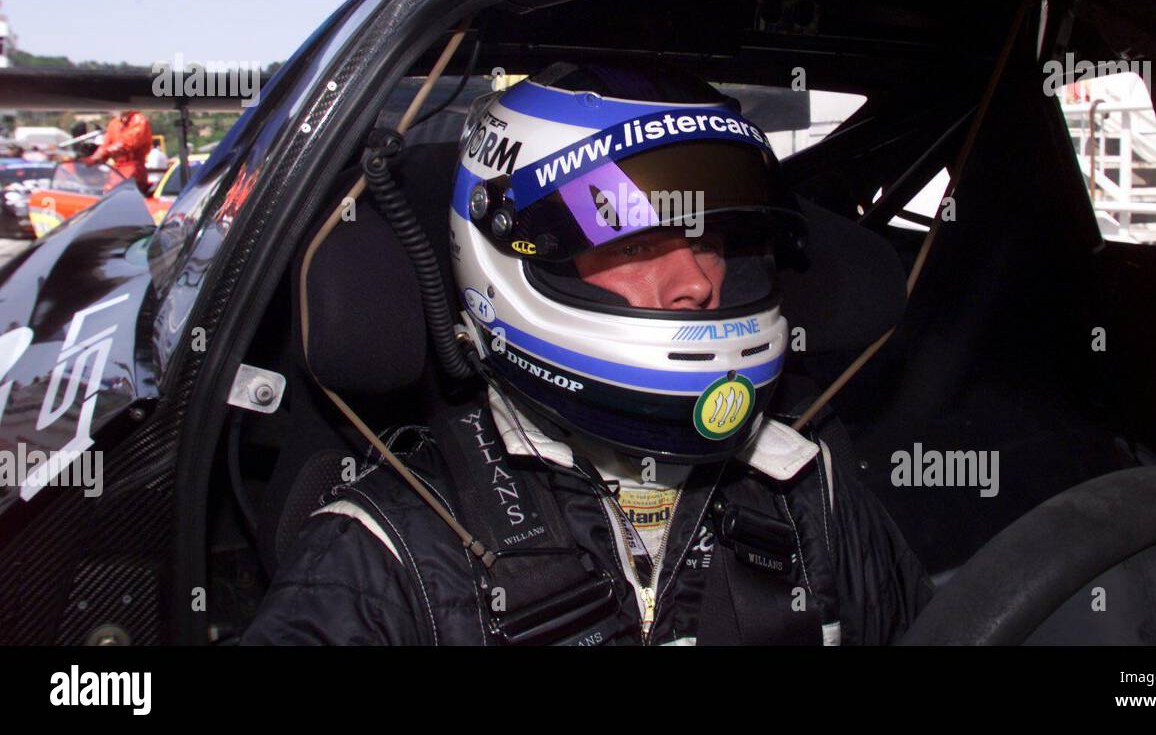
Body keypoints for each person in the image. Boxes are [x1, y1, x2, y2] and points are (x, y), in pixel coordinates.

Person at [244, 62, 932, 645]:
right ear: (507, 259)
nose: (695, 283)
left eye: (710, 243)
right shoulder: (387, 550)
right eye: (634, 246)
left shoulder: (808, 490)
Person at [84, 109, 152, 192]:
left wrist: (101, 154)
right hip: (117, 171)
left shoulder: (139, 120)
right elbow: (105, 145)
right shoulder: (114, 123)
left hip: (134, 170)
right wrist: (90, 161)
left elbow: (127, 144)